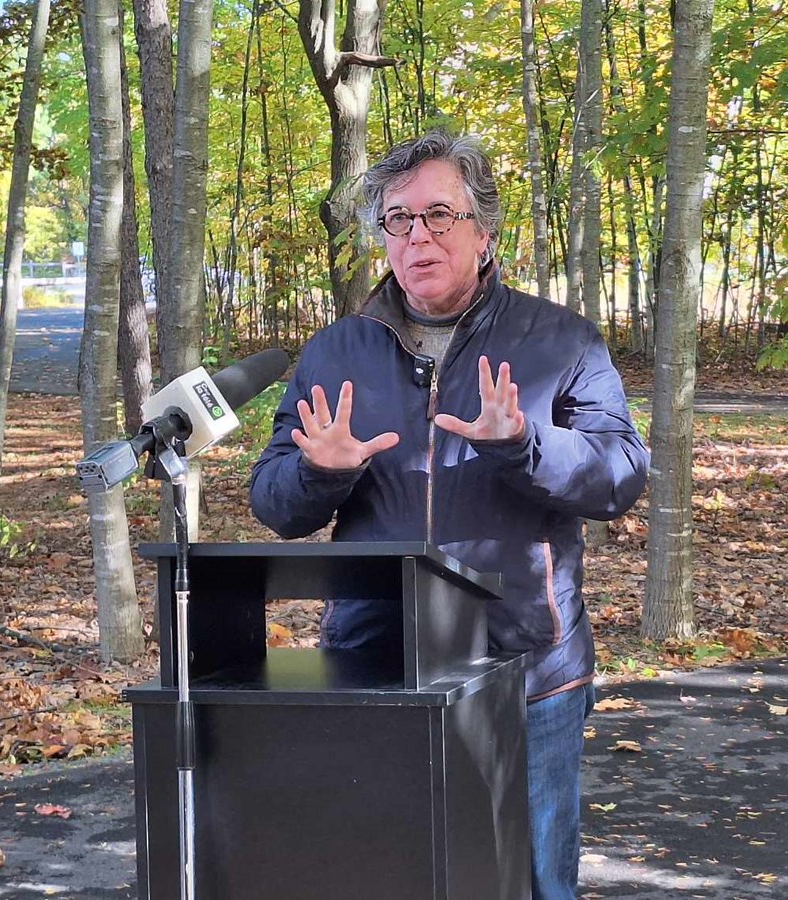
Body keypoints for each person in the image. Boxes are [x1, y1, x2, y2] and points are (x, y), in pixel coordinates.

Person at [249, 129, 649, 900]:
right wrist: (319, 471)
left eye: (438, 214)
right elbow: (274, 504)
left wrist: (525, 444)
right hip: (376, 663)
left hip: (528, 665)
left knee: (531, 880)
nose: (417, 236)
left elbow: (619, 477)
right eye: (398, 220)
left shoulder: (559, 341)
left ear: (484, 232)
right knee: (384, 874)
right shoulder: (336, 352)